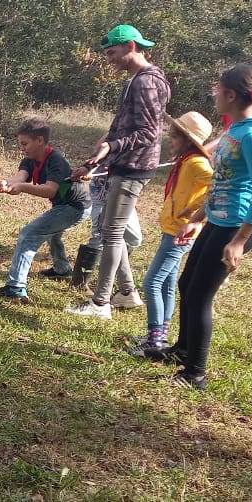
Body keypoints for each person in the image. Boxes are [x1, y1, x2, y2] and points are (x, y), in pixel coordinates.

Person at [148, 65, 252, 390]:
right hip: (217, 222)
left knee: (199, 296)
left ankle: (195, 373)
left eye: (217, 89)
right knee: (186, 285)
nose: (214, 94)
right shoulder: (234, 131)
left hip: (235, 228)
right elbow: (221, 183)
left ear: (231, 95)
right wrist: (197, 220)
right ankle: (182, 351)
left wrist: (239, 241)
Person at [67, 24, 171, 319]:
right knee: (113, 229)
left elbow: (148, 133)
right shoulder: (136, 80)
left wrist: (112, 147)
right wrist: (93, 162)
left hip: (133, 166)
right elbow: (121, 125)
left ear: (130, 47)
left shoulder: (146, 83)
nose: (109, 59)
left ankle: (100, 303)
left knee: (111, 232)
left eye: (112, 52)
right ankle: (127, 293)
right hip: (122, 163)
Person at [127, 112, 213, 358]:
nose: (170, 139)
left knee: (151, 282)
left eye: (174, 135)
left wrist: (195, 213)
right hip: (172, 228)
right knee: (165, 283)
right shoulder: (186, 161)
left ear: (186, 139)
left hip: (181, 232)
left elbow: (219, 186)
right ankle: (160, 335)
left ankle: (154, 340)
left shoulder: (197, 163)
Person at [0, 118, 91, 301]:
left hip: (75, 207)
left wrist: (22, 188)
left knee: (29, 234)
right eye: (20, 144)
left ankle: (15, 287)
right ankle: (62, 269)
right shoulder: (29, 160)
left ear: (39, 140)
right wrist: (7, 183)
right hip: (63, 205)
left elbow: (50, 190)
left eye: (25, 143)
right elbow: (20, 177)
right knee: (52, 233)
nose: (22, 148)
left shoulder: (56, 161)